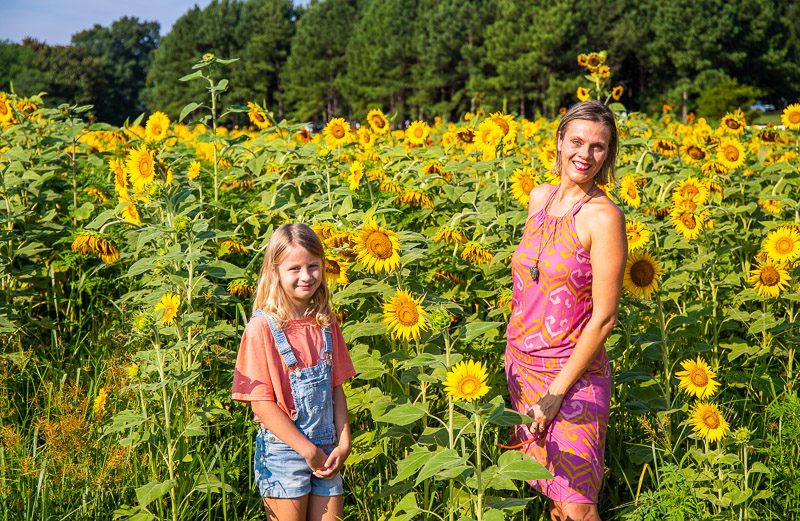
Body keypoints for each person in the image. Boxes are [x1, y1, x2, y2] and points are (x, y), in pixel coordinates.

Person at [504, 100, 627, 521]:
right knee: (551, 492)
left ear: (607, 154)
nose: (585, 154)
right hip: (522, 367)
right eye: (576, 141)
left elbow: (605, 318)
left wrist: (557, 391)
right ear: (558, 142)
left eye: (597, 147)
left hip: (572, 374)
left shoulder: (603, 217)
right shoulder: (539, 198)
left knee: (577, 505)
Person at [232, 223, 355, 521]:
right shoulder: (262, 328)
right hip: (284, 452)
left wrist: (344, 441)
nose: (306, 276)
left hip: (327, 447)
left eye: (313, 266)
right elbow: (261, 403)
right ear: (275, 272)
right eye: (294, 268)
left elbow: (335, 388)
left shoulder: (325, 321)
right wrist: (306, 450)